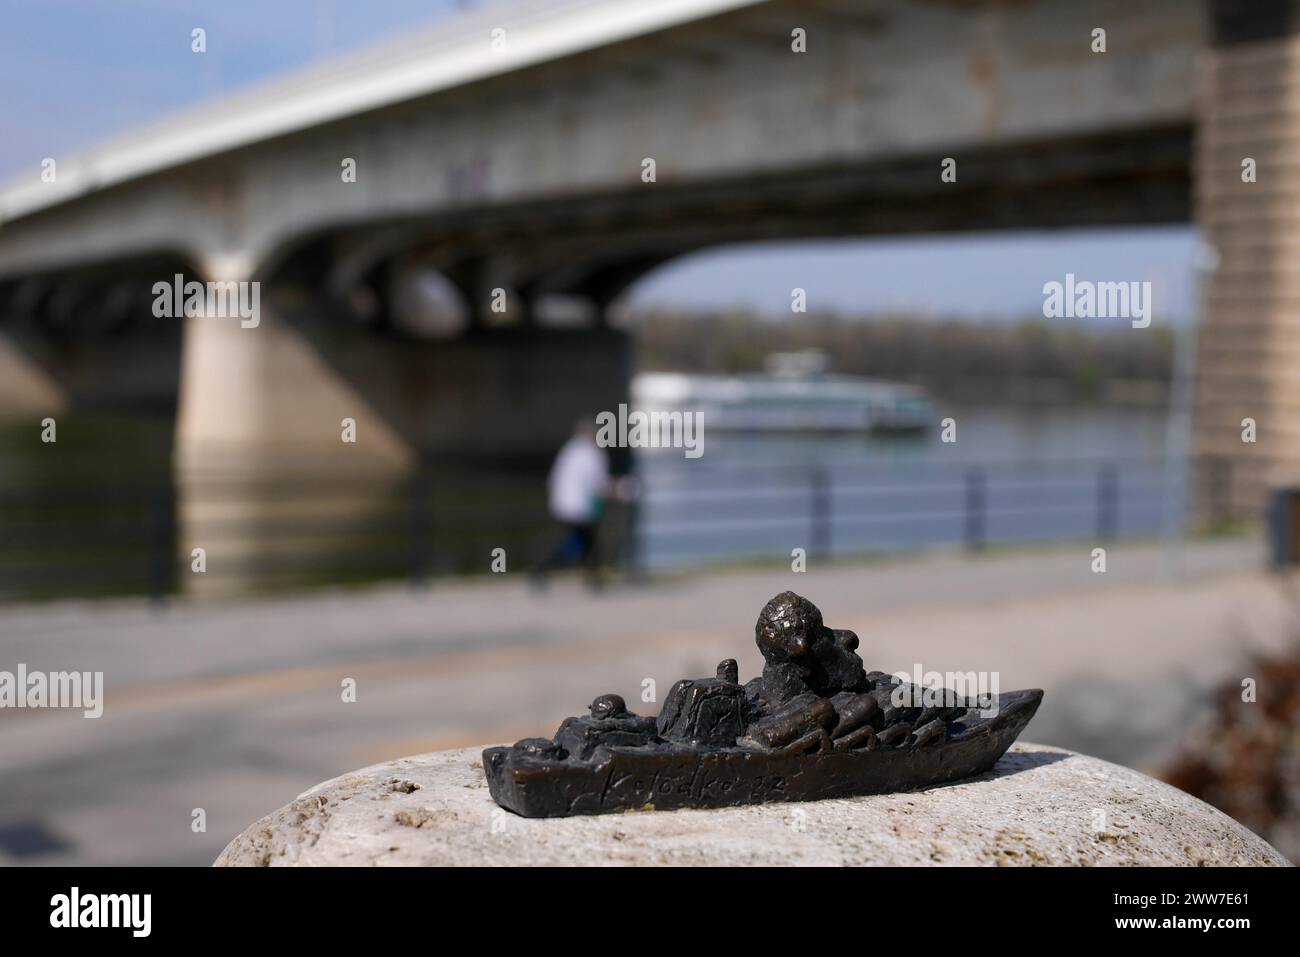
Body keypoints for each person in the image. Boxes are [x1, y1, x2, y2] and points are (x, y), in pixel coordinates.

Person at [532, 417, 610, 588]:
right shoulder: (592, 453)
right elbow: (599, 484)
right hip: (579, 508)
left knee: (582, 542)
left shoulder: (569, 449)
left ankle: (593, 578)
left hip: (562, 504)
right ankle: (542, 570)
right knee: (582, 544)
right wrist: (621, 489)